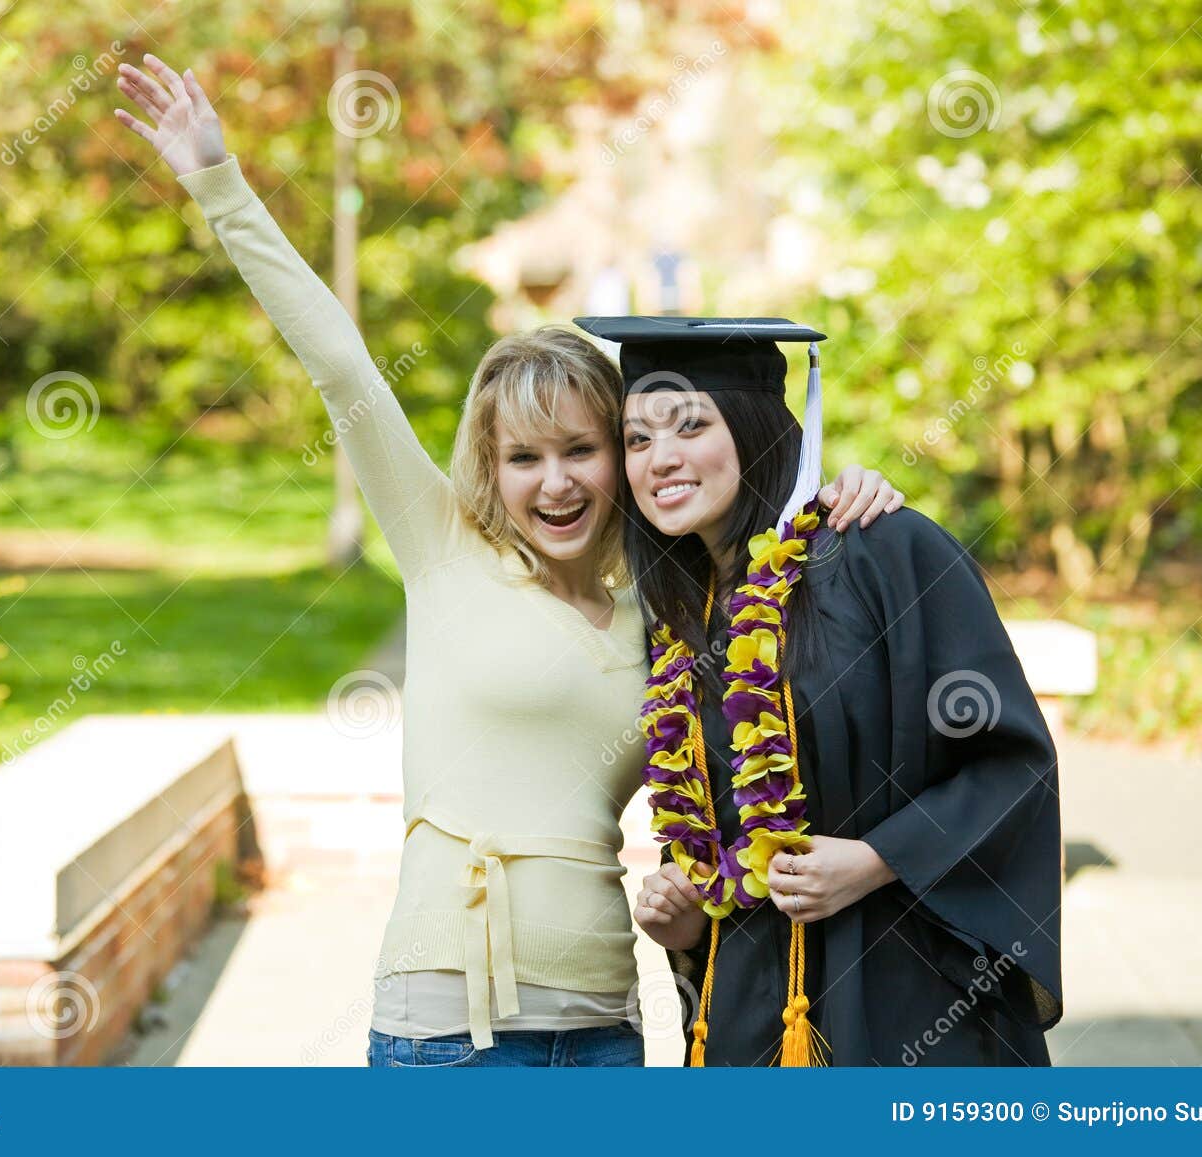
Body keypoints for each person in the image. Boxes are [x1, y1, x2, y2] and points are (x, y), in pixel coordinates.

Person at [114, 57, 905, 1066]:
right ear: (490, 467)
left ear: (620, 459)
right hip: (447, 1033)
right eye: (524, 457)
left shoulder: (663, 607)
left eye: (581, 449)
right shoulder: (445, 552)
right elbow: (339, 362)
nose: (557, 482)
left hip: (607, 1030)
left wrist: (853, 489)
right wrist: (217, 182)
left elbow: (747, 741)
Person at [579, 315, 1063, 1067]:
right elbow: (719, 839)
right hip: (744, 1013)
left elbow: (1012, 767)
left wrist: (875, 858)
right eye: (637, 439)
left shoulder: (885, 551)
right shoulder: (676, 623)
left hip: (906, 994)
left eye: (689, 425)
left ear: (755, 425)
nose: (660, 458)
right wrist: (686, 912)